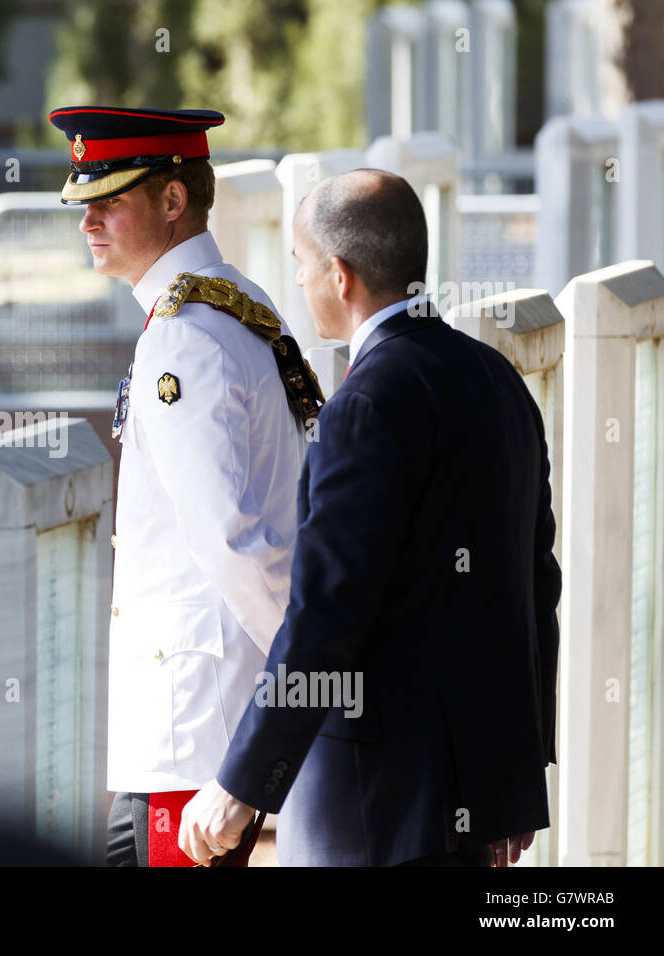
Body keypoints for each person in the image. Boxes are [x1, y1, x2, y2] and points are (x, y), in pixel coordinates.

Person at [178, 169, 561, 867]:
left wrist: (242, 782)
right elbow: (534, 586)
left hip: (372, 802)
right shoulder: (497, 380)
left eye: (300, 265)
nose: (297, 281)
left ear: (341, 275)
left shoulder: (365, 404)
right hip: (473, 803)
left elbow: (326, 611)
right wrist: (514, 780)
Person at [47, 105, 322, 866]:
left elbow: (230, 539)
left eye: (110, 200)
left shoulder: (184, 333)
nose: (88, 221)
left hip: (188, 724)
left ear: (173, 200)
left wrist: (304, 681)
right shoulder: (236, 300)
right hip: (188, 719)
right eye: (83, 203)